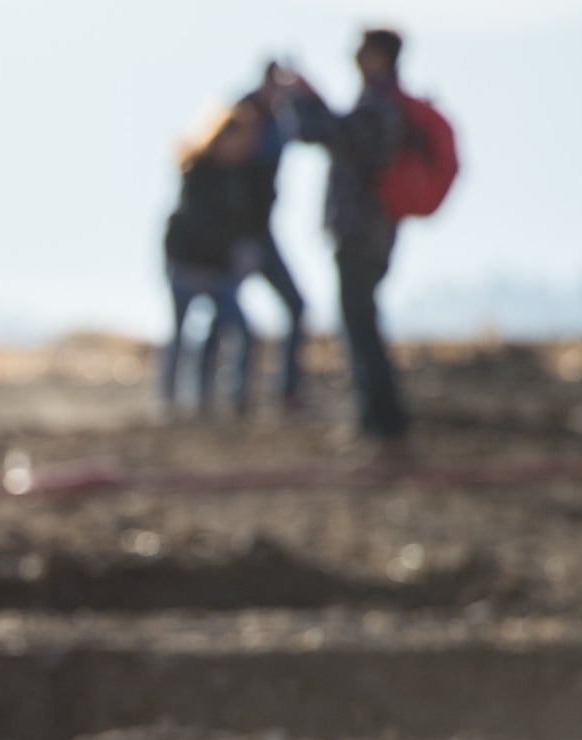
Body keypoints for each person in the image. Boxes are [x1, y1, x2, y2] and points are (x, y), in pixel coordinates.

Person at [287, 29, 413, 450]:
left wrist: (303, 99)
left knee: (359, 325)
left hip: (362, 232)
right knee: (361, 322)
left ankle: (380, 423)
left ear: (378, 55)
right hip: (372, 232)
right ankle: (380, 420)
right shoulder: (382, 103)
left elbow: (328, 133)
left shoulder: (379, 105)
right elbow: (336, 131)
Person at [159, 103, 265, 418]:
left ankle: (231, 402)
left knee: (236, 332)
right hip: (188, 265)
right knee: (180, 334)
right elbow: (194, 225)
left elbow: (246, 223)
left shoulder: (243, 176)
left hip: (220, 269)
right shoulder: (197, 172)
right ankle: (171, 404)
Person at [236, 63, 306, 410]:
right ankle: (234, 399)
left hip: (261, 230)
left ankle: (287, 392)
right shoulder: (238, 119)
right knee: (229, 316)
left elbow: (314, 131)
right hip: (236, 231)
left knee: (295, 305)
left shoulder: (280, 124)